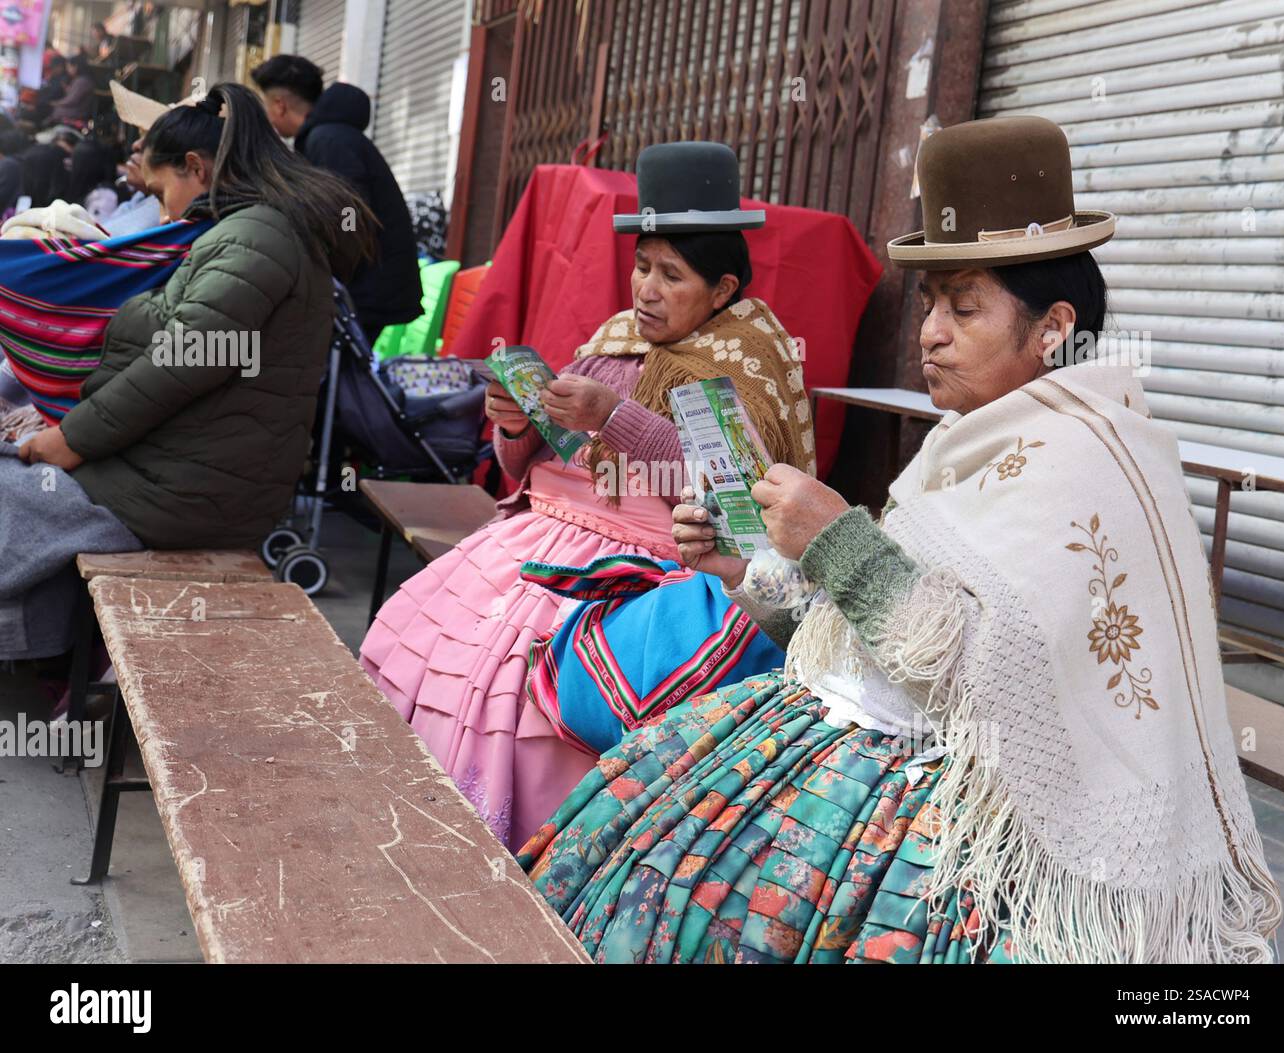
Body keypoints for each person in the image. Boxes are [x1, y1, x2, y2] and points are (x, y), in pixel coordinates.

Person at [519, 116, 1282, 964]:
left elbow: (975, 673)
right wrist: (741, 564)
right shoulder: (980, 440)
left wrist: (835, 536)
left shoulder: (1081, 461)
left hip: (967, 814)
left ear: (1054, 324)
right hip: (873, 737)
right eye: (928, 304)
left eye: (964, 306)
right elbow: (869, 632)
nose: (930, 331)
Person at [362, 142, 816, 851]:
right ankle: (407, 831)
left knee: (515, 682)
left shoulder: (751, 360)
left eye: (673, 275)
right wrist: (515, 424)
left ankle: (518, 861)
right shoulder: (614, 340)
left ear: (723, 289)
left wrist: (613, 415)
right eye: (641, 267)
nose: (646, 290)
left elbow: (730, 501)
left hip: (652, 567)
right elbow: (533, 464)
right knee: (414, 628)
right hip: (539, 532)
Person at [0, 82, 375, 661]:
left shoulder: (256, 238)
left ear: (195, 167)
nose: (160, 208)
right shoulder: (255, 231)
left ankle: (61, 661)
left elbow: (181, 364)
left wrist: (69, 440)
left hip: (186, 496)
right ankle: (58, 660)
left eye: (159, 189)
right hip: (186, 476)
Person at [251, 54, 421, 345]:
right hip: (367, 286)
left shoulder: (328, 141)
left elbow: (349, 217)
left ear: (279, 105)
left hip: (367, 292)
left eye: (264, 106)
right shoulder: (329, 137)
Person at [48, 55, 96, 126]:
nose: (67, 70)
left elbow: (72, 100)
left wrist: (57, 103)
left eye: (69, 67)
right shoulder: (82, 79)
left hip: (79, 112)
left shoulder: (81, 81)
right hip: (79, 109)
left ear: (76, 67)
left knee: (55, 110)